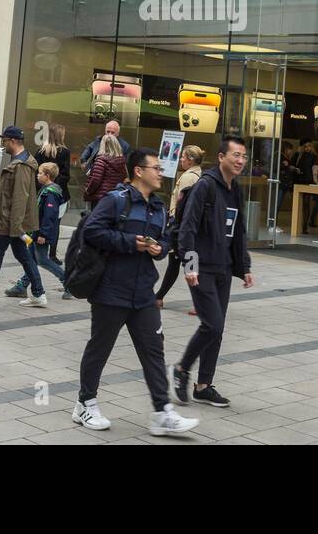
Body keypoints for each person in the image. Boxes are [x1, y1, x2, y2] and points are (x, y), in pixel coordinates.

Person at [72, 146, 198, 437]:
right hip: (111, 289)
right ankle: (85, 403)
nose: (161, 173)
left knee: (153, 351)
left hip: (143, 293)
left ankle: (162, 412)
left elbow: (167, 239)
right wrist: (131, 242)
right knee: (100, 348)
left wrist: (159, 249)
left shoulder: (157, 206)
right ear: (139, 171)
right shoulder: (115, 200)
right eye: (156, 167)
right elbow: (91, 231)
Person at [173, 135, 255, 410]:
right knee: (213, 324)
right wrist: (190, 264)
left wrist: (244, 267)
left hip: (223, 267)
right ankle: (182, 369)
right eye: (235, 155)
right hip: (202, 267)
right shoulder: (205, 186)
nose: (240, 161)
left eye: (243, 156)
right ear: (221, 157)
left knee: (217, 329)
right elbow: (188, 228)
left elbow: (239, 230)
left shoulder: (236, 190)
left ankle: (203, 386)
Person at [0, 126, 46, 308]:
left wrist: (16, 227)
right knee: (25, 258)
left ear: (12, 141)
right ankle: (38, 294)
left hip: (8, 222)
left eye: (4, 140)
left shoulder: (22, 165)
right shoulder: (18, 162)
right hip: (11, 222)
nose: (2, 144)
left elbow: (20, 198)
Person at [6, 160, 70, 300]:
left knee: (42, 260)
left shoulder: (51, 193)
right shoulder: (46, 190)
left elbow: (50, 216)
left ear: (47, 176)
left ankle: (69, 283)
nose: (37, 176)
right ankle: (22, 286)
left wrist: (43, 234)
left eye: (40, 173)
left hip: (41, 233)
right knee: (31, 260)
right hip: (36, 231)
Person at [156, 145, 203, 309]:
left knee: (187, 262)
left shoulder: (189, 177)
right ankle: (159, 297)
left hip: (182, 226)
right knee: (178, 262)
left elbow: (183, 204)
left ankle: (200, 302)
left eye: (183, 157)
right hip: (184, 226)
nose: (181, 159)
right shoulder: (196, 174)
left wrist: (174, 221)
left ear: (190, 160)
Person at [35, 124, 71, 262]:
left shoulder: (40, 152)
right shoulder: (65, 152)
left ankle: (39, 249)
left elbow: (35, 173)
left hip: (42, 192)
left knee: (41, 220)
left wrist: (42, 187)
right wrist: (56, 186)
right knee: (55, 222)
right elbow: (66, 175)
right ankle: (52, 254)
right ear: (60, 136)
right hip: (60, 194)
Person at [84, 134, 127, 206]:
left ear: (103, 145)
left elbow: (95, 180)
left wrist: (88, 190)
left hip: (100, 198)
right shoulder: (121, 161)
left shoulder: (101, 161)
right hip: (115, 197)